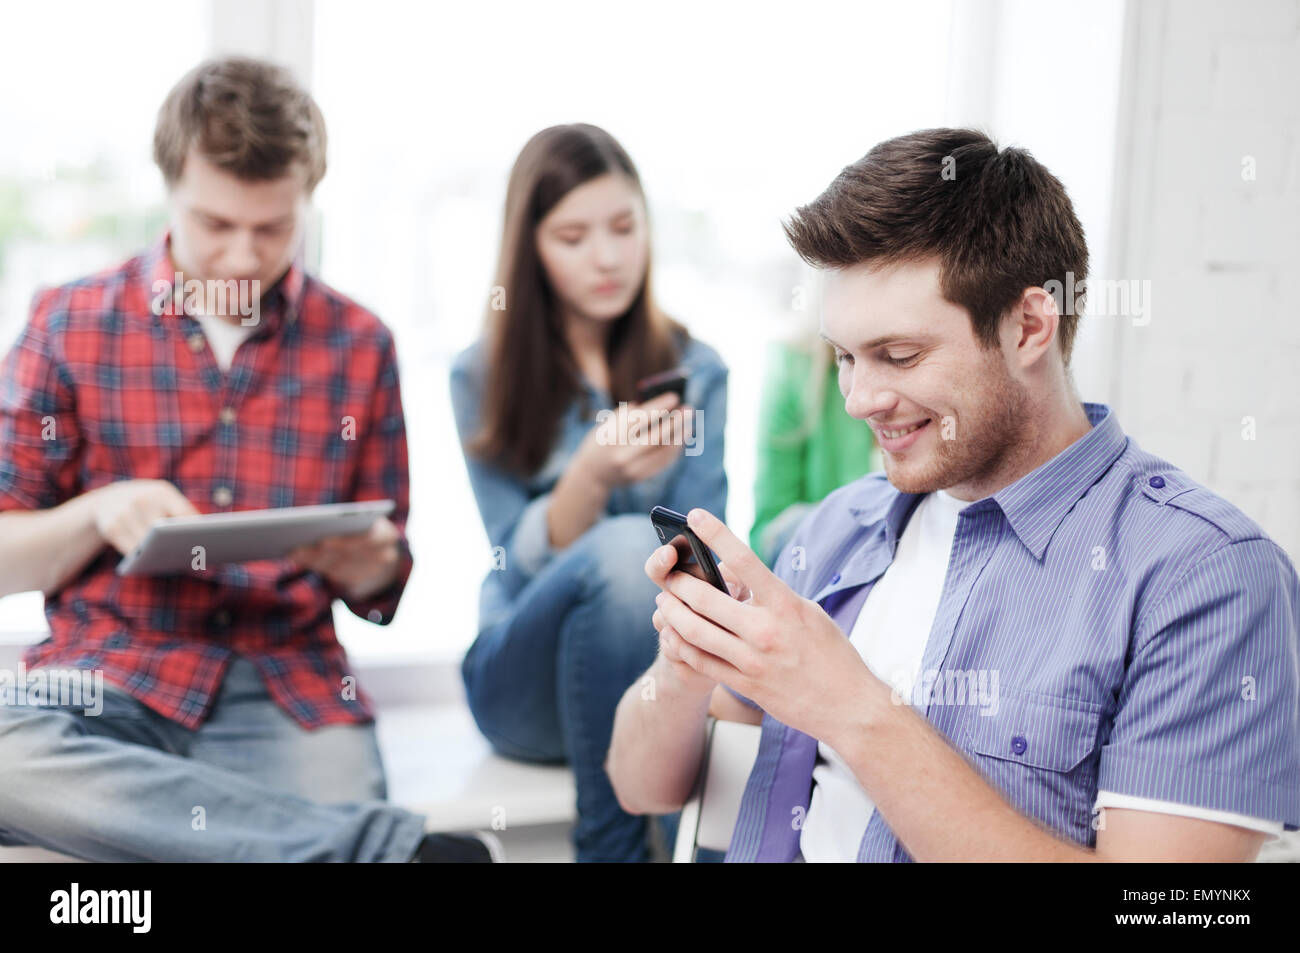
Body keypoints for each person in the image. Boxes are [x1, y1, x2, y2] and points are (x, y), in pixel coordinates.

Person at [608, 128, 1300, 862]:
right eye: (844, 356)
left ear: (1030, 324)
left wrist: (851, 705)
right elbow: (639, 786)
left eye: (898, 355)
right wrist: (684, 666)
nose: (860, 397)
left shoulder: (1205, 578)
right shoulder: (840, 526)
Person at [0, 56, 497, 862]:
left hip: (287, 687)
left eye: (271, 229)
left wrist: (367, 563)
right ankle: (379, 854)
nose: (240, 257)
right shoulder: (68, 321)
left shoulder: (360, 343)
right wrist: (96, 511)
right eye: (214, 224)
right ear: (169, 189)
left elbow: (385, 585)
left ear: (307, 197)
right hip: (107, 672)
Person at [451, 124, 728, 862]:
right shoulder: (480, 377)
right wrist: (589, 477)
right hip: (525, 685)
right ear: (530, 248)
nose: (608, 257)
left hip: (655, 679)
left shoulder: (697, 371)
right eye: (573, 236)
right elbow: (514, 560)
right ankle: (610, 851)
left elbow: (712, 558)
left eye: (624, 227)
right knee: (615, 548)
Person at [750, 295, 881, 567]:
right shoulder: (795, 364)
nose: (857, 403)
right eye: (845, 357)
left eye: (902, 357)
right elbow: (769, 531)